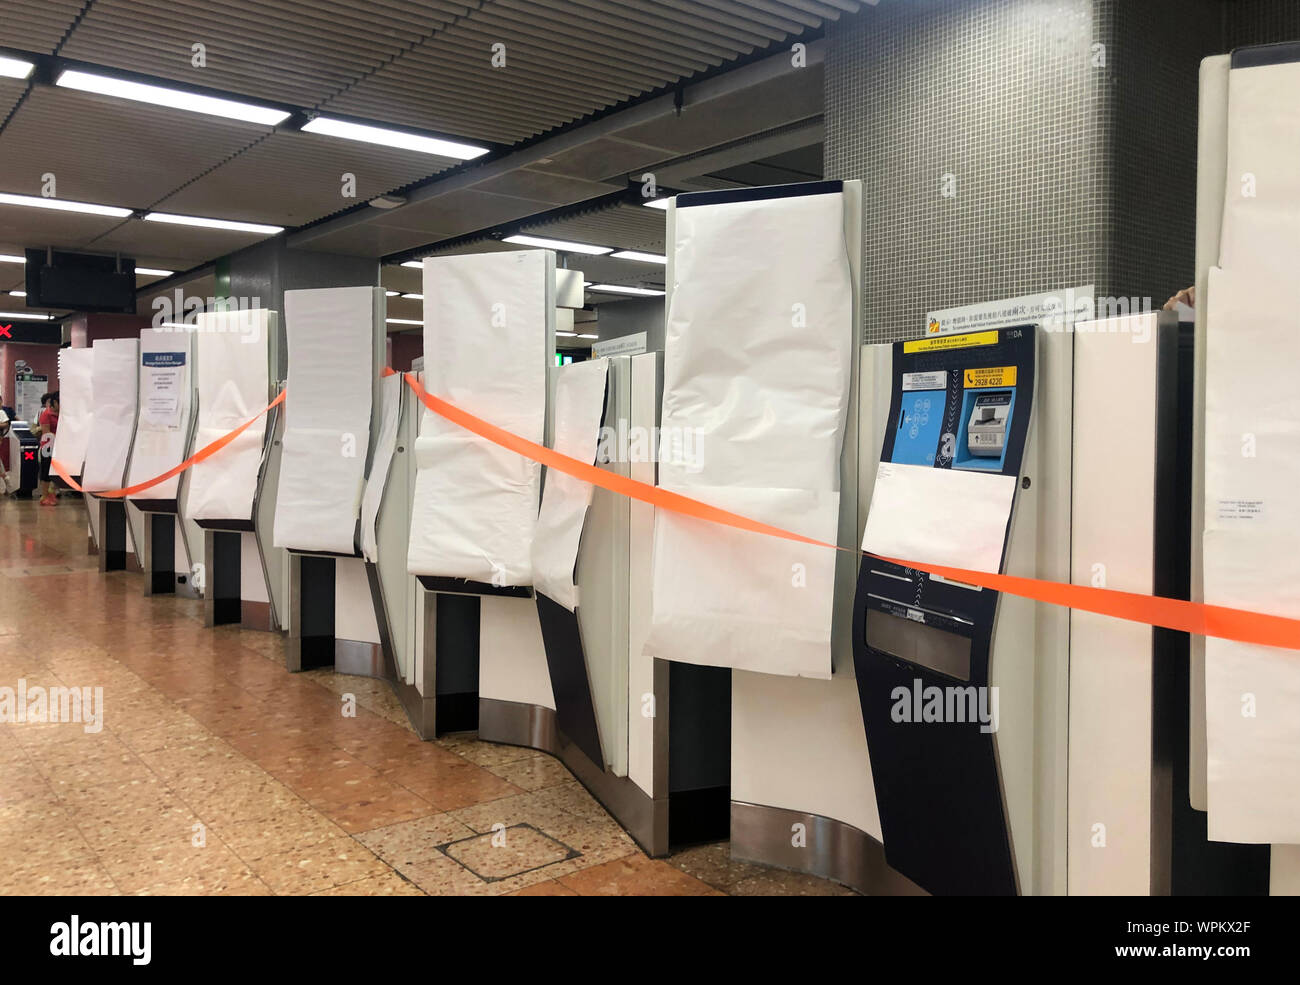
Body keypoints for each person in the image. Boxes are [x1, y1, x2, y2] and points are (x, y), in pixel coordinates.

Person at [30, 391, 59, 506]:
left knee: (58, 471)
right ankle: (45, 495)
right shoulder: (46, 414)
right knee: (46, 471)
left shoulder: (63, 414)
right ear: (55, 402)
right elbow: (47, 433)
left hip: (60, 447)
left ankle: (51, 491)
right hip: (48, 447)